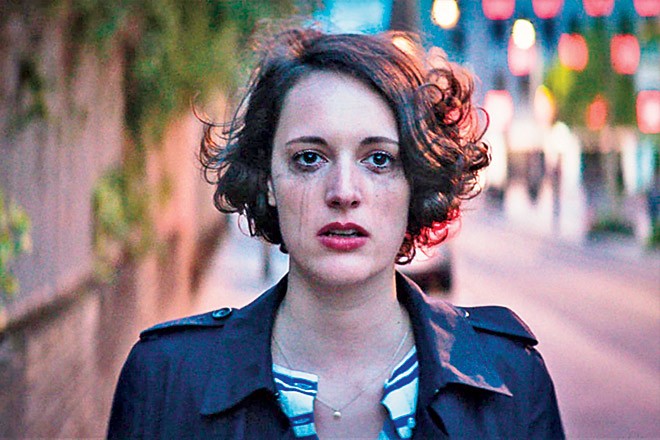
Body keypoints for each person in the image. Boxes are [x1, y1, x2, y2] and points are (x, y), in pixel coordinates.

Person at [108, 27, 564, 439]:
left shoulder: (513, 381)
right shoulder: (163, 380)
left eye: (379, 160)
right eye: (309, 158)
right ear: (268, 181)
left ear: (416, 181)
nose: (344, 192)